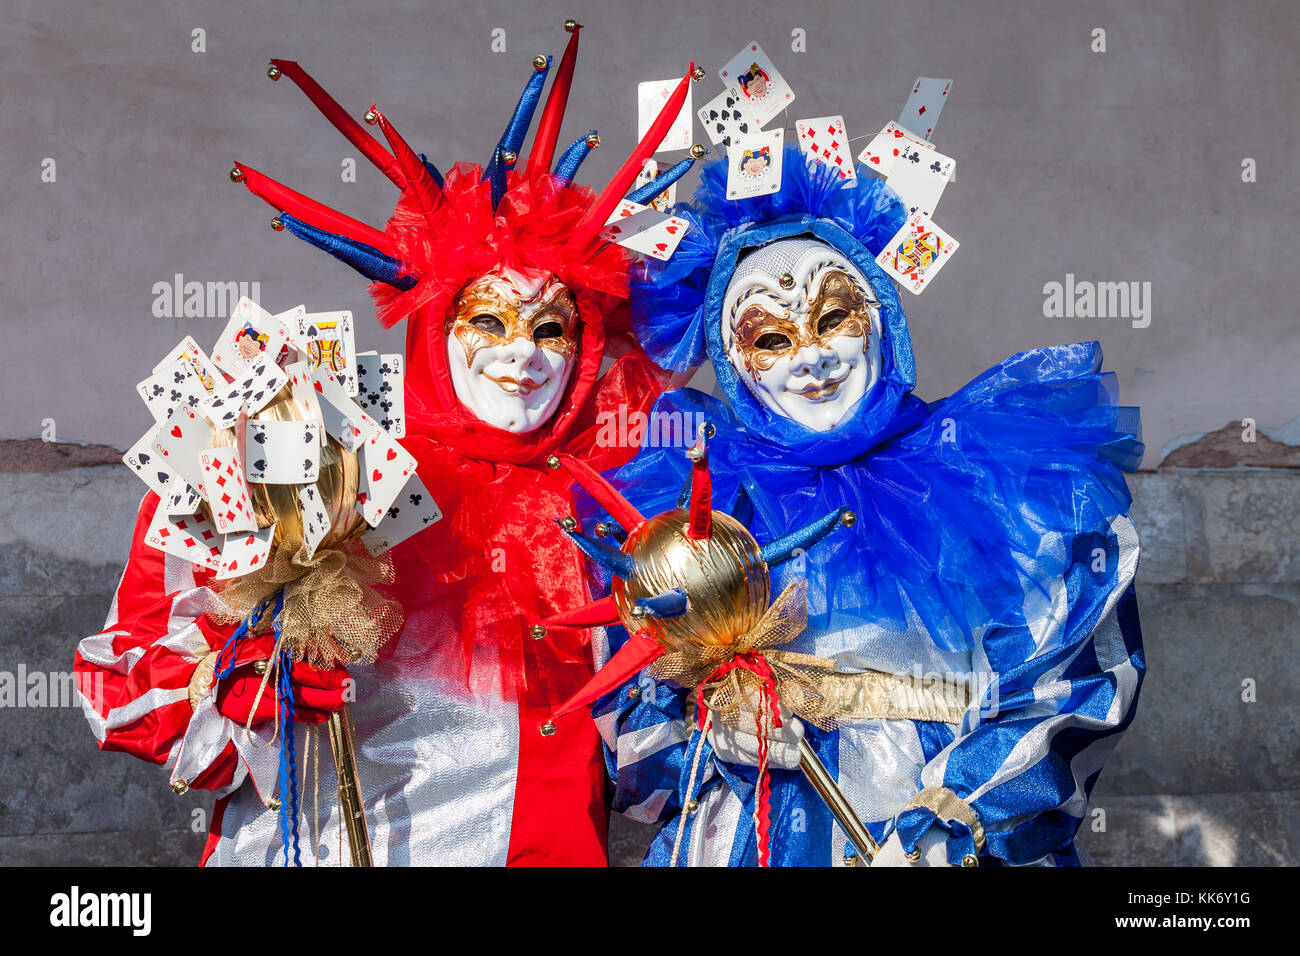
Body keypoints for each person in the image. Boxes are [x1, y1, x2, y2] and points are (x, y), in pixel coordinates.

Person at [76, 22, 699, 866]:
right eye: (487, 319)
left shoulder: (619, 492)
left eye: (552, 327)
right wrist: (244, 678)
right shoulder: (310, 451)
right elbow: (126, 676)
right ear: (433, 323)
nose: (521, 355)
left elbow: (656, 766)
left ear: (587, 341)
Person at [587, 143, 1146, 867]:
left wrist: (951, 822)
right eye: (773, 338)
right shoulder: (700, 497)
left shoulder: (989, 473)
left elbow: (1070, 680)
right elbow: (634, 711)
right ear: (731, 359)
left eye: (833, 319)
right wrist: (717, 728)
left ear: (882, 315)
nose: (810, 361)